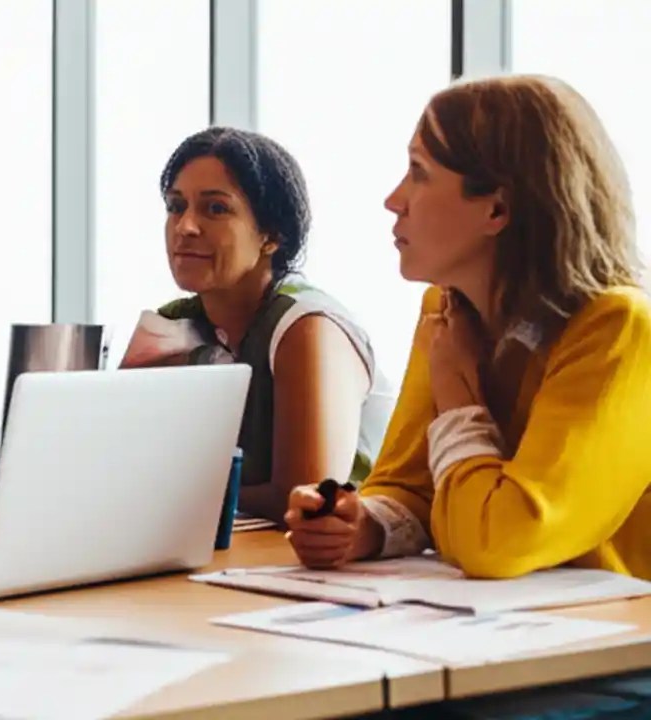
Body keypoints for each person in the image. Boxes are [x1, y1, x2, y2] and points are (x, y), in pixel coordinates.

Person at [285, 75, 651, 580]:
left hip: (612, 646)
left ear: (497, 208)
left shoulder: (621, 330)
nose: (395, 199)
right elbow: (411, 486)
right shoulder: (447, 309)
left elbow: (496, 542)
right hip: (513, 634)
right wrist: (363, 525)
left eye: (419, 172)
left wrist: (458, 394)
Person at [121, 127, 392, 522]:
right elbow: (120, 471)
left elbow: (307, 497)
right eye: (176, 206)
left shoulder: (308, 327)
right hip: (237, 558)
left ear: (272, 236)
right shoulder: (174, 324)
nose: (185, 226)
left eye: (216, 209)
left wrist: (167, 494)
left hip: (333, 567)